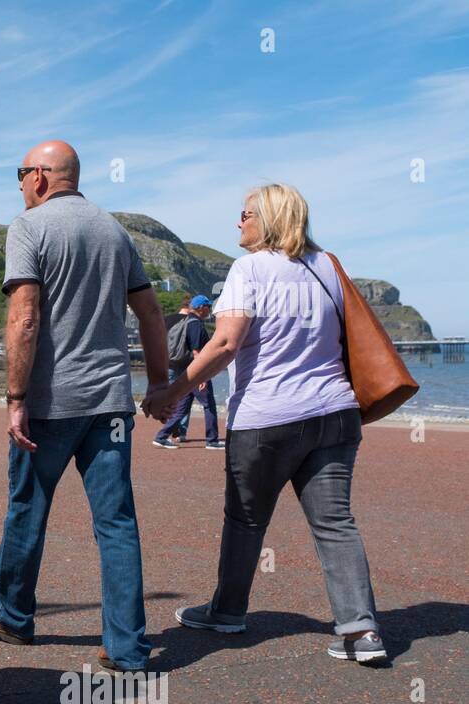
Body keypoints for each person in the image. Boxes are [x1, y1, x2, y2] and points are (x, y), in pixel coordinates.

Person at [0, 140, 171, 674]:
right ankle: (126, 647)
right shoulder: (114, 231)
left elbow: (25, 317)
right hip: (111, 405)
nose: (19, 184)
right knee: (117, 521)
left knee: (28, 508)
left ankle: (12, 615)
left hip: (52, 404)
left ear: (38, 177)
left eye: (20, 173)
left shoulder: (28, 228)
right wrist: (161, 382)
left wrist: (15, 399)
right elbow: (150, 313)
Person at [153, 184, 385, 663]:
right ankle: (362, 631)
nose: (238, 223)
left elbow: (224, 344)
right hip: (335, 414)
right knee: (335, 522)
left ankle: (227, 612)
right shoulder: (328, 266)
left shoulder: (250, 268)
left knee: (246, 520)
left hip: (268, 418)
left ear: (269, 219)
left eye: (244, 214)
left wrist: (171, 393)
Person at [153, 295, 223, 449]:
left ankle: (161, 436)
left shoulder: (187, 321)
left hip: (186, 371)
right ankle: (212, 440)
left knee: (182, 407)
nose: (209, 310)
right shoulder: (195, 324)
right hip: (195, 372)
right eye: (208, 307)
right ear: (201, 308)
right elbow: (197, 352)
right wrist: (202, 377)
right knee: (209, 405)